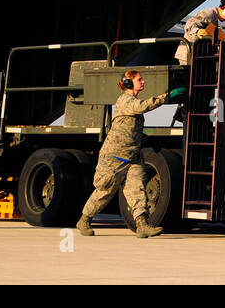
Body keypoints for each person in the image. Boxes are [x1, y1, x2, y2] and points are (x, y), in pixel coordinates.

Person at [76, 70, 186, 238]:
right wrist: (167, 97)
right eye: (139, 80)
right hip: (115, 156)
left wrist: (148, 140)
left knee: (138, 189)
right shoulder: (125, 100)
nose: (143, 82)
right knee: (105, 190)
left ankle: (142, 225)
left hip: (133, 156)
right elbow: (142, 107)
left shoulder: (132, 102)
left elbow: (129, 130)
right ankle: (84, 220)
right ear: (128, 83)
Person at [173, 0, 225, 65]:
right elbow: (190, 23)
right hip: (188, 53)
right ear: (224, 9)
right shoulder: (209, 14)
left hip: (195, 54)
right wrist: (197, 31)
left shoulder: (214, 19)